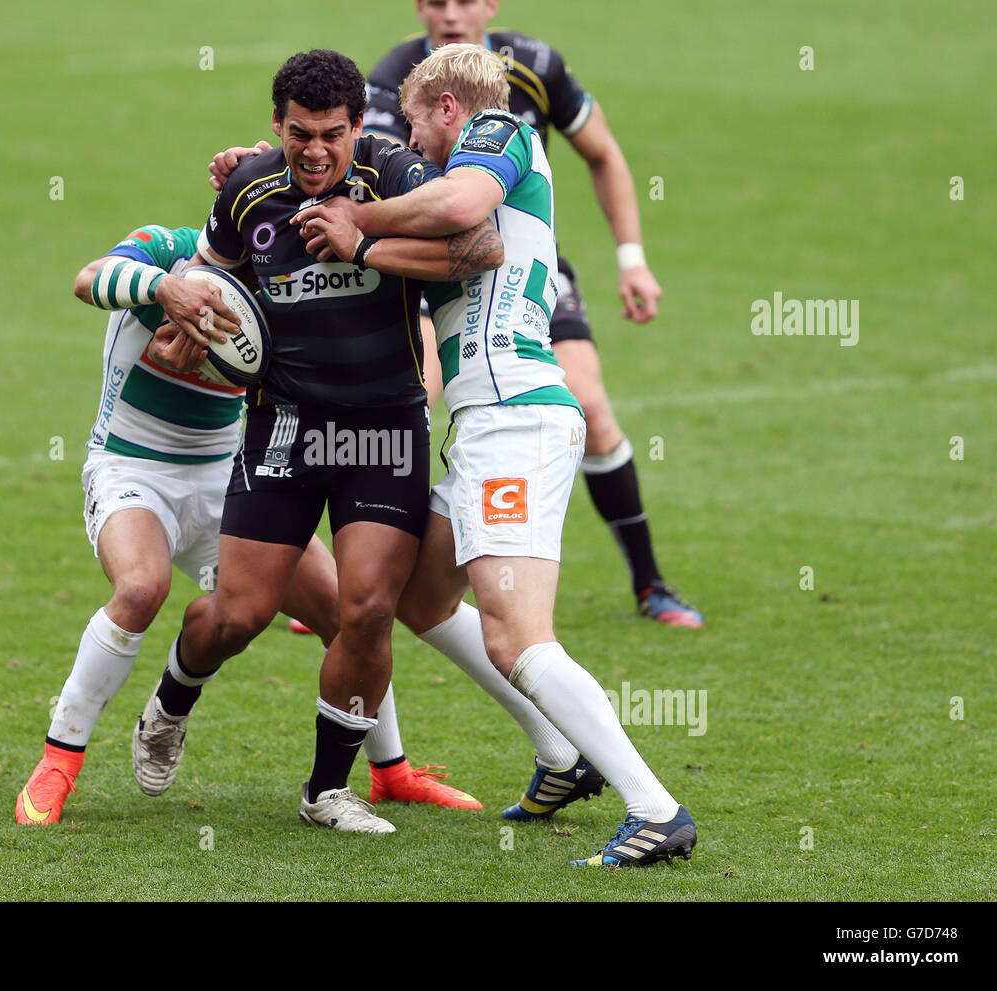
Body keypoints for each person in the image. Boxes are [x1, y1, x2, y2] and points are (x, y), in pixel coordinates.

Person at [293, 43, 696, 867]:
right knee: (418, 594)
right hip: (486, 428)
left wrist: (360, 224)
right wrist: (350, 233)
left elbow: (458, 206)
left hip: (517, 420)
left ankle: (656, 807)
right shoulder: (458, 194)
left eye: (413, 121)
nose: (410, 139)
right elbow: (445, 239)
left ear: (447, 107)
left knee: (520, 638)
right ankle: (560, 756)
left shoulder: (499, 131)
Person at [145, 49, 505, 834]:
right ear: (275, 127)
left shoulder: (396, 175)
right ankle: (173, 697)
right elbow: (212, 276)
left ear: (358, 127)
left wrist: (362, 244)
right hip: (285, 424)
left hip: (385, 426)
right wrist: (187, 325)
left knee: (368, 608)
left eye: (333, 136)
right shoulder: (248, 189)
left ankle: (325, 790)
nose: (317, 152)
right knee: (237, 615)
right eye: (301, 135)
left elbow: (481, 247)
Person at [15, 218, 479, 824]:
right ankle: (58, 763)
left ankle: (390, 773)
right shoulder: (169, 249)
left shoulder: (281, 281)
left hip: (226, 475)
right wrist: (164, 292)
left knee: (350, 615)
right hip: (131, 468)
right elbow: (88, 279)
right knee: (139, 587)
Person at [365, 0, 703, 629]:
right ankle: (369, 578)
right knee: (412, 401)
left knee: (593, 409)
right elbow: (382, 176)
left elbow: (603, 153)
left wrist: (632, 259)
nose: (451, 13)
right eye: (436, 2)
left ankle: (651, 584)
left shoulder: (535, 66)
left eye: (464, 0)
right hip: (433, 260)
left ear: (489, 5)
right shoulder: (396, 74)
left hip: (527, 266)